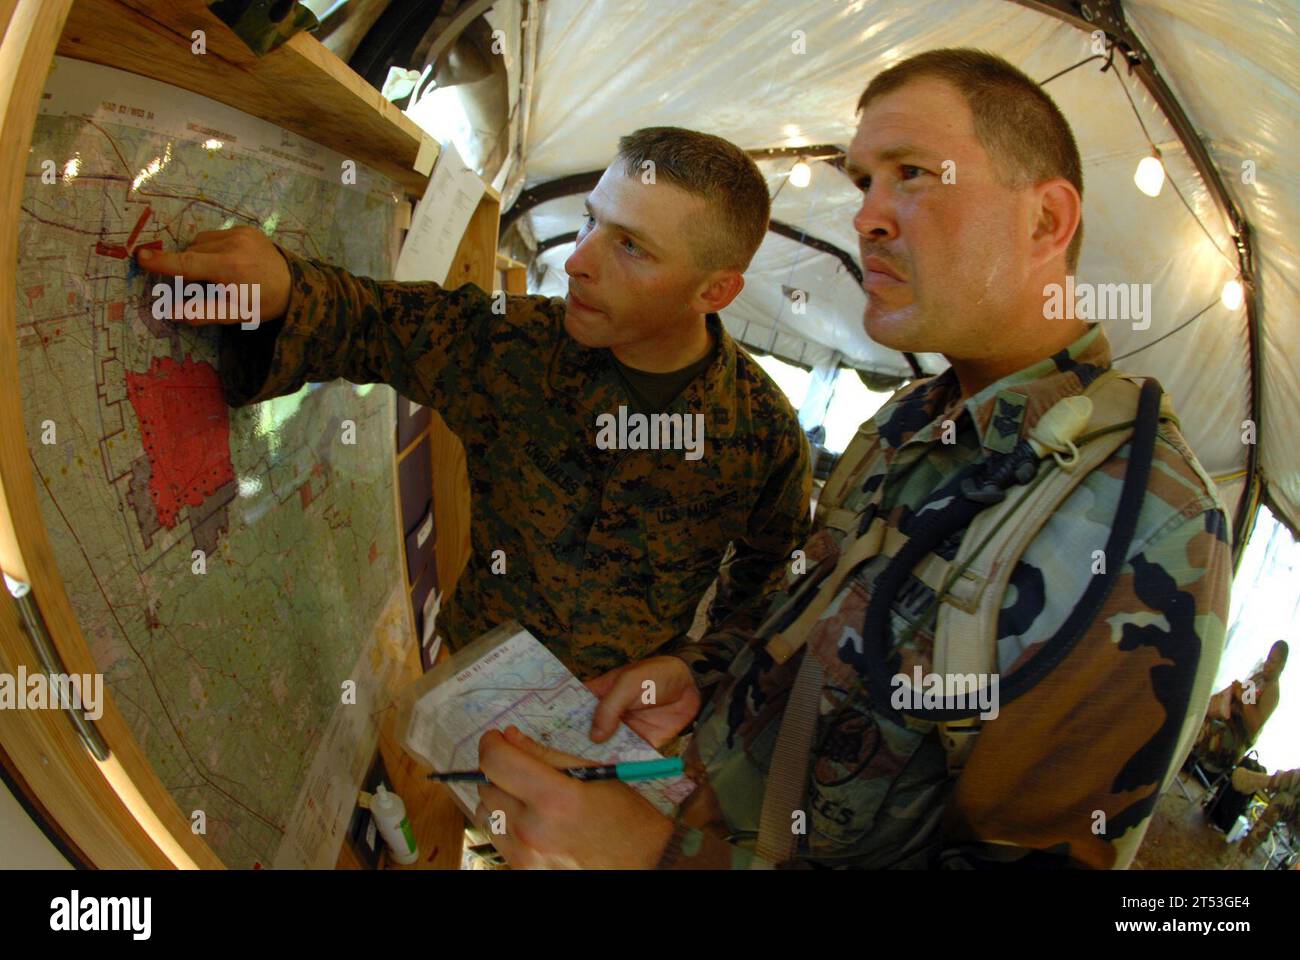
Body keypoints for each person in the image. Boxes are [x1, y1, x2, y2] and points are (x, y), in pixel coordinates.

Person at [471, 48, 1233, 870]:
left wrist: (659, 859)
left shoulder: (1143, 524)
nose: (866, 217)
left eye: (913, 175)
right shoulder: (913, 416)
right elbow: (822, 623)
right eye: (864, 181)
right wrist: (707, 677)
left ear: (1045, 221)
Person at [140, 127, 812, 680]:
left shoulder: (765, 437)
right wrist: (285, 285)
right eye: (591, 221)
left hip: (622, 721)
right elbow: (373, 321)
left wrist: (691, 674)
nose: (578, 261)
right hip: (472, 678)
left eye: (631, 246)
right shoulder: (513, 344)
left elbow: (765, 595)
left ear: (714, 292)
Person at [1192, 640, 1287, 775]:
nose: (1267, 664)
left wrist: (1242, 696)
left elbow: (1254, 726)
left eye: (1273, 661)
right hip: (1226, 723)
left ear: (1281, 666)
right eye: (1268, 659)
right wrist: (1235, 690)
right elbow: (1240, 701)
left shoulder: (1272, 692)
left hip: (1236, 740)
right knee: (1197, 712)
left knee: (1199, 725)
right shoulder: (1259, 678)